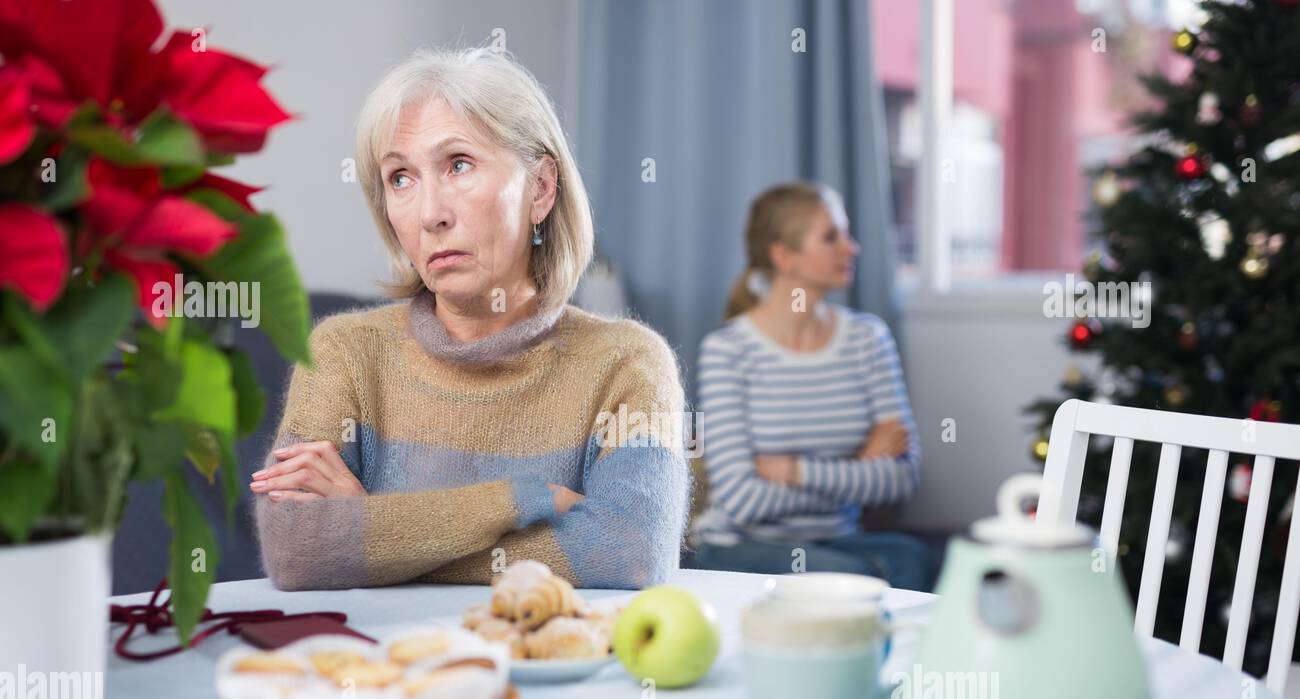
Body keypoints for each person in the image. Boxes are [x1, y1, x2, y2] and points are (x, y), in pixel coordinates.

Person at [251, 47, 690, 590]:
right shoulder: (343, 351)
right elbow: (299, 550)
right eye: (400, 178)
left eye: (458, 165)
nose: (430, 213)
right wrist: (519, 498)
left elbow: (631, 553)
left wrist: (371, 532)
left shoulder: (628, 362)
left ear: (542, 188)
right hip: (382, 670)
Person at [689, 181, 931, 590]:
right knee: (854, 580)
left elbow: (903, 477)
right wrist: (859, 468)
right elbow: (742, 501)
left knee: (913, 559)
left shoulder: (868, 339)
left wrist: (793, 471)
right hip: (741, 544)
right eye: (831, 237)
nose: (851, 248)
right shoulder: (728, 350)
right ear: (785, 257)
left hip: (838, 539)